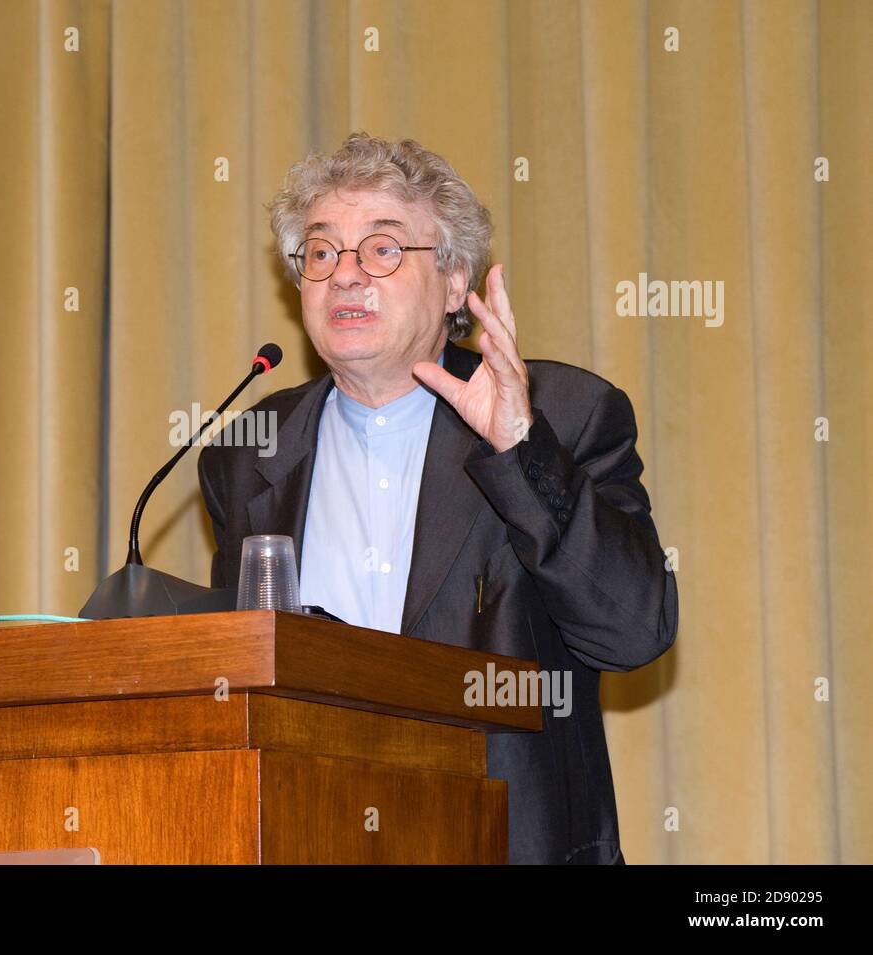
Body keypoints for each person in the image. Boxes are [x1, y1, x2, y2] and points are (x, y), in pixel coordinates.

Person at [198, 132, 678, 864]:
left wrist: (519, 447)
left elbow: (633, 631)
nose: (345, 277)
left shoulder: (565, 413)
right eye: (322, 253)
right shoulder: (249, 455)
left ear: (456, 282)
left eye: (383, 250)